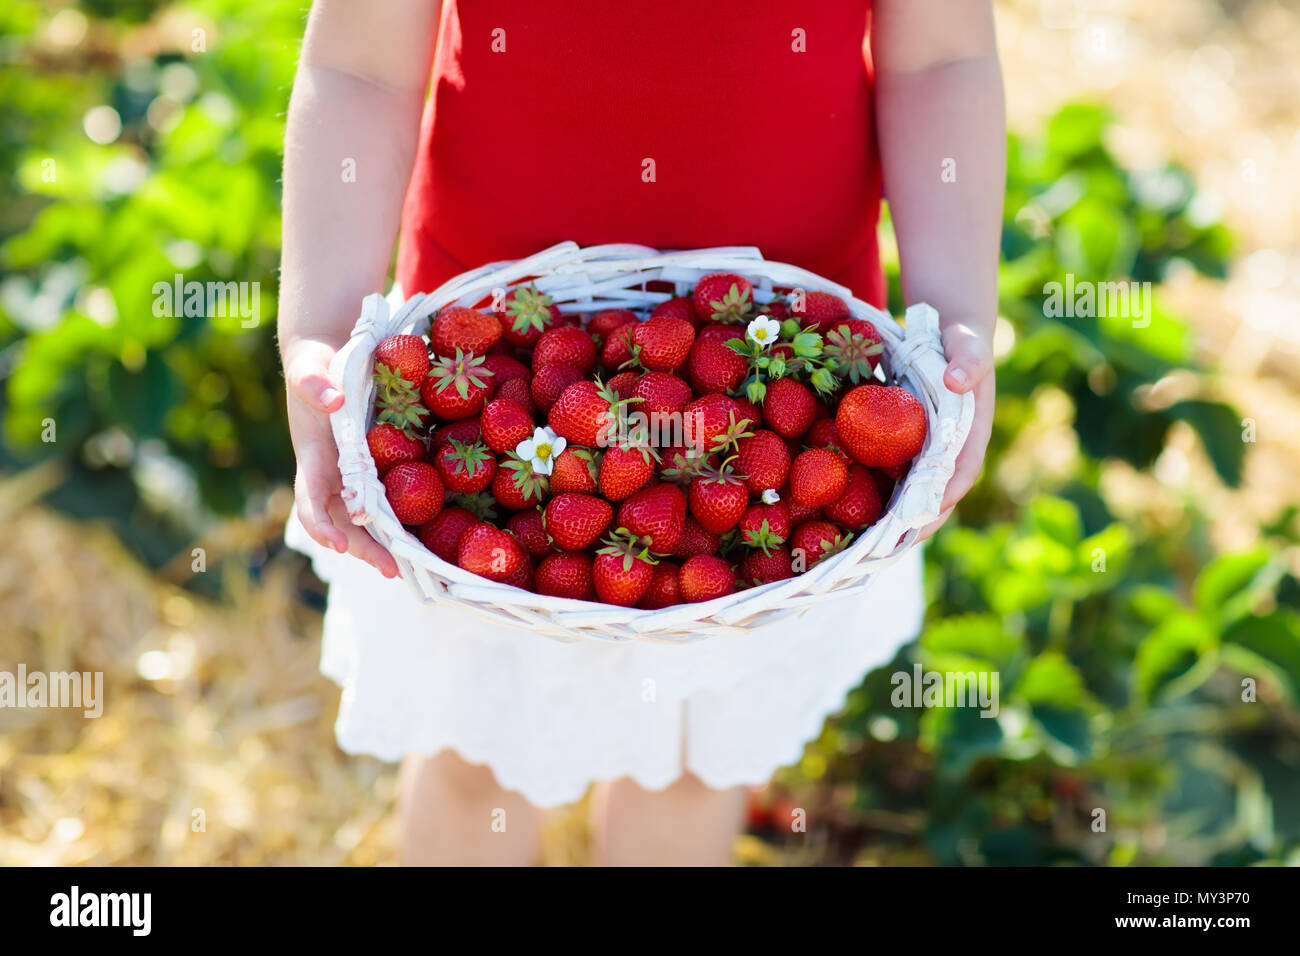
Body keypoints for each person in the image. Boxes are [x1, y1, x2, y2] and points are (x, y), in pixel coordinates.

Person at [279, 0, 1002, 866]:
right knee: (477, 752)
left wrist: (955, 315)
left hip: (800, 375)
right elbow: (360, 64)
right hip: (480, 371)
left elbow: (941, 57)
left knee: (693, 760)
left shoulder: (805, 430)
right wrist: (320, 333)